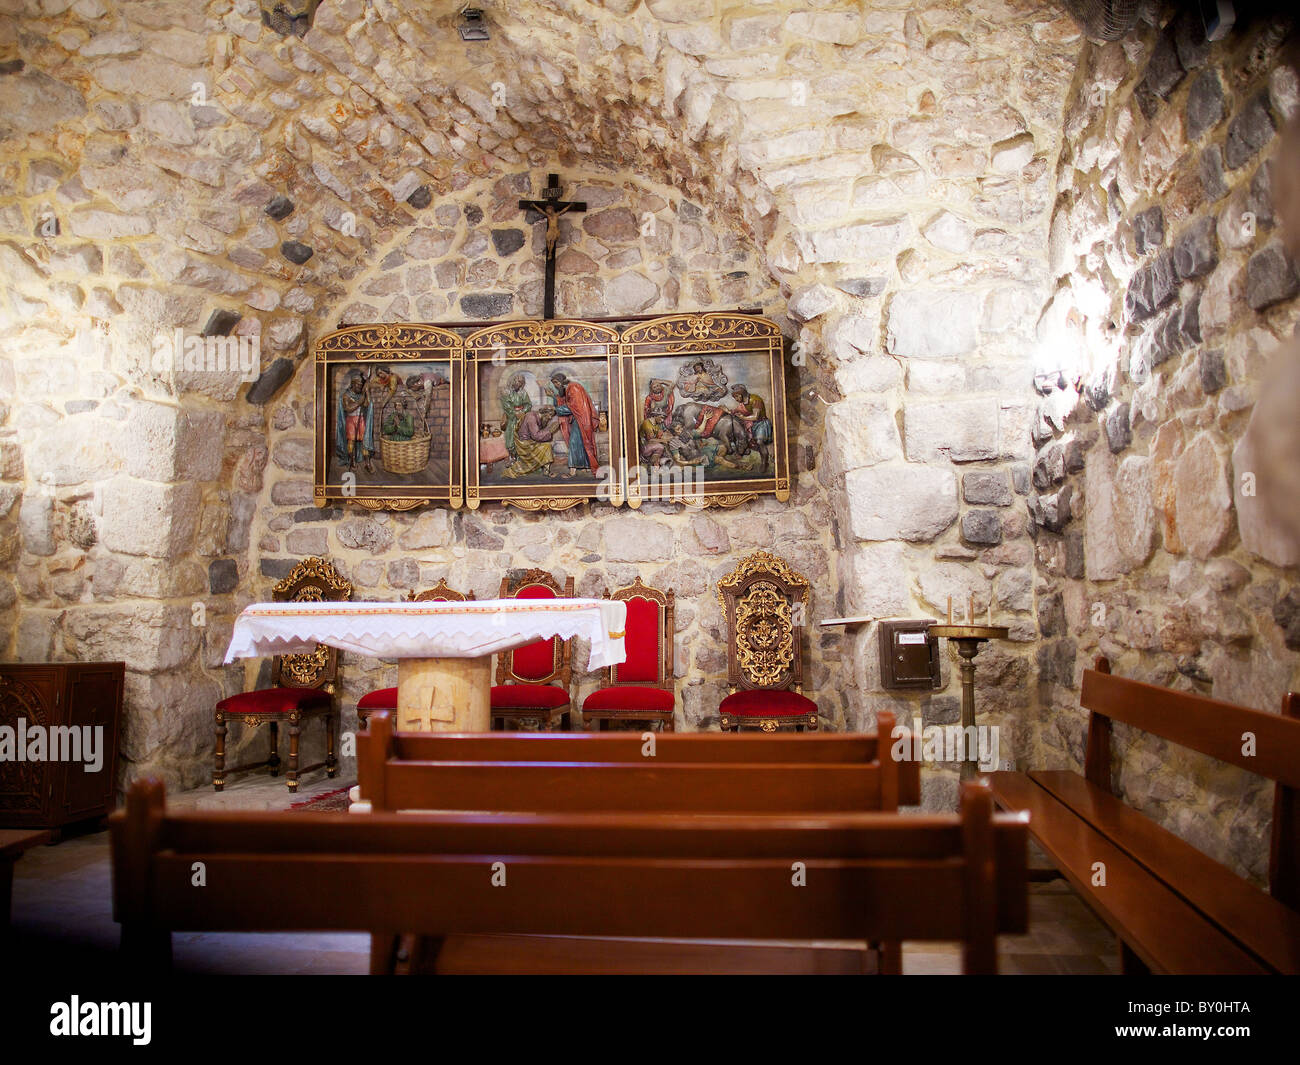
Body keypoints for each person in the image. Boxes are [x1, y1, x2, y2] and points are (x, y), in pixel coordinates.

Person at [547, 370, 599, 477]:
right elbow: (566, 402)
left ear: (560, 382)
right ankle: (585, 467)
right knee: (580, 443)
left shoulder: (574, 388)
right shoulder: (569, 389)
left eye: (556, 383)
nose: (556, 386)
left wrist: (555, 410)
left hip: (582, 420)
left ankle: (572, 471)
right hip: (578, 419)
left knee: (574, 443)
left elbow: (574, 407)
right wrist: (553, 397)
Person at [502, 406, 562, 479]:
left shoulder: (538, 417)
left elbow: (538, 433)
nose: (550, 418)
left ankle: (546, 471)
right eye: (550, 415)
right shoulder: (531, 417)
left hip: (531, 442)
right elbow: (536, 436)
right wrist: (550, 431)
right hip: (525, 444)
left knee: (547, 446)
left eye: (551, 416)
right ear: (544, 413)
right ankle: (546, 471)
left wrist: (549, 429)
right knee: (547, 446)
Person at [335, 370, 374, 472]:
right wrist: (358, 402)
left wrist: (366, 392)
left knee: (364, 440)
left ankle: (367, 463)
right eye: (358, 385)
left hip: (360, 419)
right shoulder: (346, 395)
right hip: (351, 419)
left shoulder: (361, 394)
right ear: (353, 384)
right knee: (351, 440)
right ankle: (352, 460)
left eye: (361, 385)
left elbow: (367, 404)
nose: (360, 387)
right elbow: (347, 408)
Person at [499, 371, 531, 457]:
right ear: (513, 381)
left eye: (521, 382)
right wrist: (514, 413)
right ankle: (512, 456)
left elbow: (528, 404)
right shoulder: (506, 392)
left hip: (521, 417)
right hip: (511, 418)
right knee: (510, 439)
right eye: (517, 381)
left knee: (522, 437)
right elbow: (506, 405)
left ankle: (521, 458)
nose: (519, 384)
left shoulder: (523, 393)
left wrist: (523, 411)